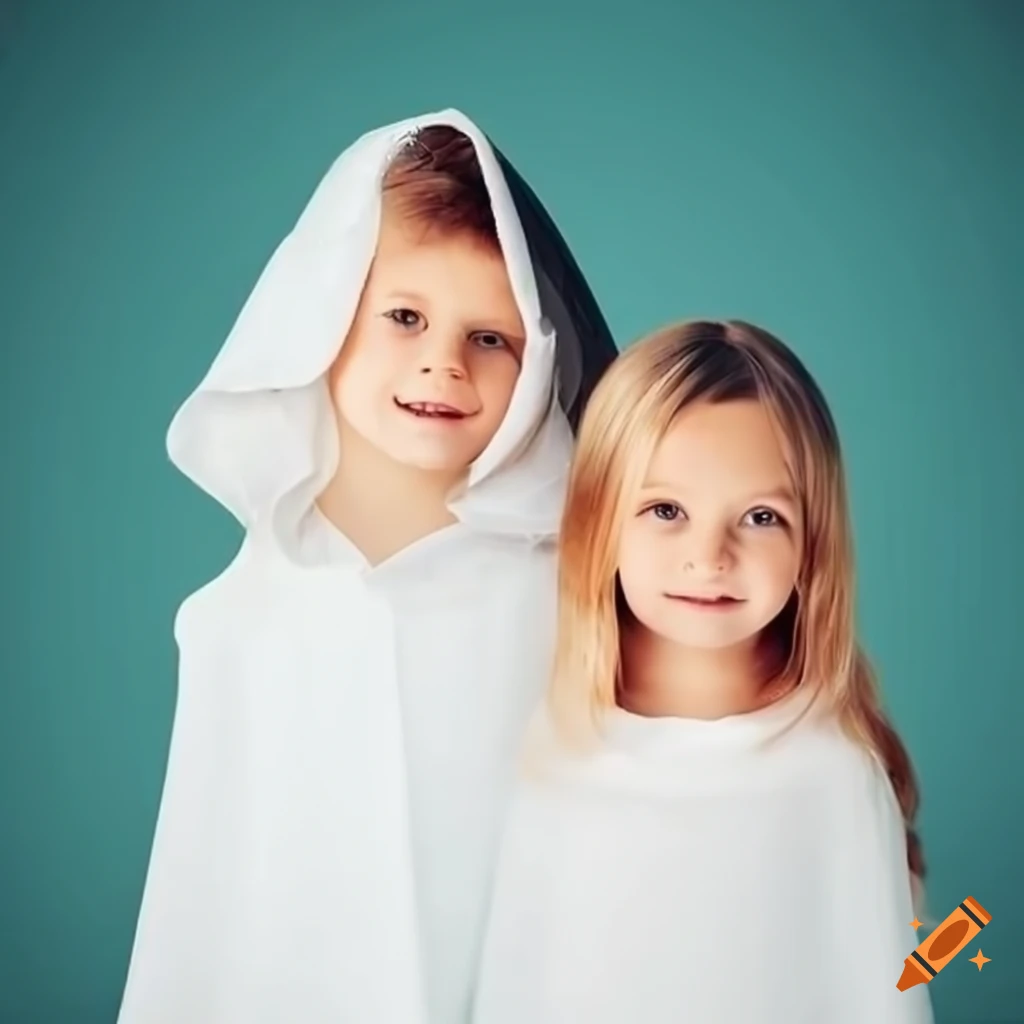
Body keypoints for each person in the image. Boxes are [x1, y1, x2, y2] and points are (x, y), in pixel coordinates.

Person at [115, 109, 617, 1024]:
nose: (443, 365)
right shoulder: (238, 626)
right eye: (404, 317)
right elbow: (200, 912)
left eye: (491, 337)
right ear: (325, 319)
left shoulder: (570, 600)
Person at [471, 319, 934, 1024]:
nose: (709, 556)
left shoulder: (830, 771)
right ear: (599, 519)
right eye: (666, 510)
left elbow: (880, 995)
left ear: (812, 542)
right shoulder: (543, 741)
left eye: (759, 516)